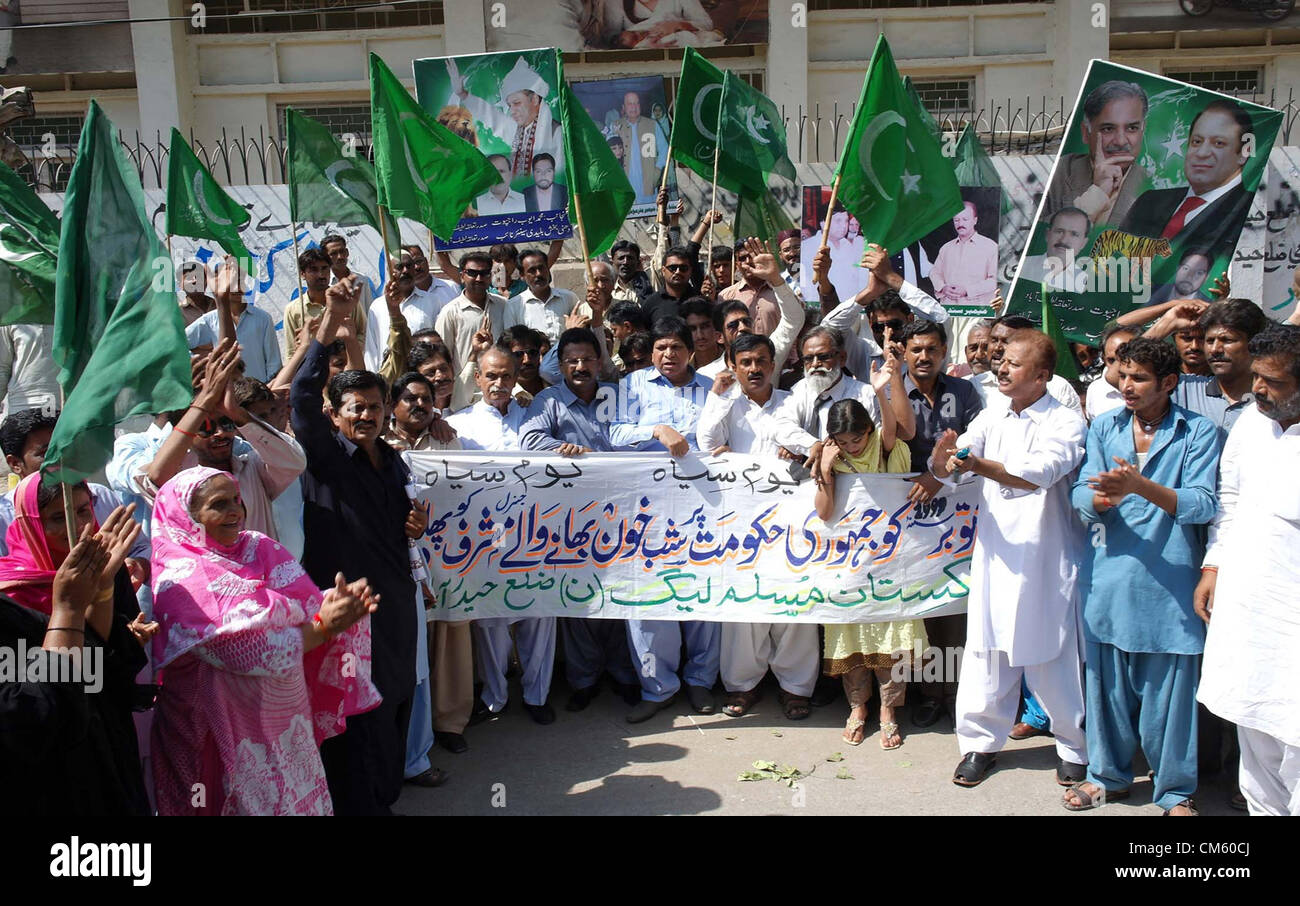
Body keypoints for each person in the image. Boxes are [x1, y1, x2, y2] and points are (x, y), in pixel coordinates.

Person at [148, 466, 382, 814]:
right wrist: (324, 626)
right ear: (187, 518)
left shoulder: (258, 547)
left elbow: (299, 606)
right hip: (216, 734)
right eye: (219, 504)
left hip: (284, 725)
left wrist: (336, 603)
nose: (235, 512)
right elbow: (239, 650)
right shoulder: (181, 577)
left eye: (237, 500)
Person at [1063, 338, 1219, 815]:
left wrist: (1139, 486)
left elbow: (1201, 504)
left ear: (1168, 383)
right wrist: (1102, 501)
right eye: (1122, 375)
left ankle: (1174, 792)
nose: (1126, 386)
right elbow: (1080, 496)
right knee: (1105, 691)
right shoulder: (1105, 427)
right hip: (1108, 577)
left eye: (1139, 378)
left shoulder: (1199, 433)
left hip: (1170, 586)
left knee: (1168, 704)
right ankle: (1105, 777)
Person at [931, 331, 1089, 789]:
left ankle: (1072, 746)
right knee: (987, 649)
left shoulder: (1064, 421)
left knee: (1050, 652)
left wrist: (976, 465)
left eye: (1013, 364)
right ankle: (980, 744)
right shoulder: (992, 413)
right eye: (1001, 361)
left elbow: (1038, 474)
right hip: (996, 552)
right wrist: (946, 461)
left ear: (1041, 376)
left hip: (1045, 555)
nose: (1001, 368)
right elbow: (958, 463)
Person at [290, 277, 424, 815]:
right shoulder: (326, 457)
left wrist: (411, 526)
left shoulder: (390, 460)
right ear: (336, 415)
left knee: (394, 697)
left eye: (374, 406)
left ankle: (387, 793)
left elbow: (397, 525)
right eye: (355, 408)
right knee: (352, 709)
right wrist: (331, 323)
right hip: (344, 608)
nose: (366, 415)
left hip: (393, 601)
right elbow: (301, 396)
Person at [1197, 324, 1300, 815]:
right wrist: (1214, 565)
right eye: (1256, 377)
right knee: (1254, 725)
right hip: (1248, 604)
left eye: (1272, 381)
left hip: (1294, 614)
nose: (1257, 389)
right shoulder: (1251, 425)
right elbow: (1231, 499)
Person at [0, 495, 152, 815]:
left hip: (105, 752)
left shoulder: (97, 569)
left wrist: (102, 591)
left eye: (85, 510)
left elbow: (96, 670)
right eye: (58, 518)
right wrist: (68, 608)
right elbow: (36, 712)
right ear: (29, 526)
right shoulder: (12, 591)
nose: (78, 526)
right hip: (52, 781)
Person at [696, 332, 820, 720]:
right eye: (745, 362)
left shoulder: (793, 403)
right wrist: (717, 396)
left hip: (792, 521)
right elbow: (705, 443)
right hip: (742, 526)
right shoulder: (726, 405)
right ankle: (743, 685)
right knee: (745, 606)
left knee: (794, 602)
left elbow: (813, 446)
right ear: (732, 366)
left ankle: (795, 686)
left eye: (761, 361)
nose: (754, 369)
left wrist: (796, 450)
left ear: (773, 364)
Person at [520, 327, 642, 712]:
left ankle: (624, 674)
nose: (579, 366)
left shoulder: (617, 396)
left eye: (587, 358)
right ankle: (584, 679)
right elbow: (529, 441)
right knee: (578, 598)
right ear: (560, 363)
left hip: (621, 511)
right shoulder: (548, 400)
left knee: (622, 593)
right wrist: (563, 448)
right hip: (570, 520)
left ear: (600, 361)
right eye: (571, 359)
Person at [610, 317, 720, 721]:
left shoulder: (713, 390)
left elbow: (725, 437)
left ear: (692, 351)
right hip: (647, 509)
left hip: (703, 507)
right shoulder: (630, 387)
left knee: (704, 591)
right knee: (646, 597)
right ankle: (657, 687)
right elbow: (614, 435)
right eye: (660, 348)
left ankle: (701, 681)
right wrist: (658, 430)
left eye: (676, 347)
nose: (667, 355)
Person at [448, 345, 558, 725]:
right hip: (487, 537)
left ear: (515, 378)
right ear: (477, 378)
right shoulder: (458, 426)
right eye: (491, 375)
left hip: (538, 531)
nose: (498, 383)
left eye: (506, 376)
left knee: (540, 614)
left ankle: (537, 695)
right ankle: (494, 696)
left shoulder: (534, 418)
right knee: (492, 618)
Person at [814, 397, 922, 749]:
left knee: (891, 638)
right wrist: (827, 470)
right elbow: (825, 513)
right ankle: (858, 707)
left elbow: (892, 428)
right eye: (842, 442)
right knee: (853, 635)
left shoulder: (886, 451)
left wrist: (882, 388)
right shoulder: (832, 459)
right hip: (849, 564)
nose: (850, 447)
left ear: (869, 432)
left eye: (856, 441)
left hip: (891, 560)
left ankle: (889, 712)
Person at [894, 320, 983, 727]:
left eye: (932, 349)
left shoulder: (964, 392)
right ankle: (928, 693)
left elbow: (976, 442)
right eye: (916, 350)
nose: (924, 357)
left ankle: (955, 691)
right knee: (920, 605)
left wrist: (940, 475)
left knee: (953, 604)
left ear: (945, 351)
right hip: (906, 515)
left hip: (957, 512)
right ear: (905, 353)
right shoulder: (894, 391)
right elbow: (886, 442)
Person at [136, 339, 305, 544]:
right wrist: (201, 403)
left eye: (226, 423)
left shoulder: (253, 467)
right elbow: (156, 479)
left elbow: (294, 461)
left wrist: (237, 413)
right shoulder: (180, 480)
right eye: (205, 427)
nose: (220, 434)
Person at [0, 409, 151, 581]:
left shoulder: (100, 496)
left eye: (67, 448)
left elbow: (141, 548)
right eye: (46, 453)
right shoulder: (3, 516)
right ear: (15, 463)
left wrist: (134, 566)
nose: (63, 459)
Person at [1121, 99, 1253, 260]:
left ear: (1243, 153)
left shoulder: (1250, 211)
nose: (1202, 153)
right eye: (1197, 142)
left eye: (1218, 143)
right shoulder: (1149, 202)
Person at [1044, 79, 1150, 226]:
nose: (1120, 141)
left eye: (1132, 128)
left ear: (1142, 130)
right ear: (1085, 133)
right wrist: (1097, 195)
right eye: (1108, 129)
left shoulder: (1156, 184)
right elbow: (1041, 242)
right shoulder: (1059, 172)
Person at [448, 56, 561, 182]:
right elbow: (490, 115)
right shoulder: (517, 130)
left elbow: (561, 177)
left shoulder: (556, 133)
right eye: (509, 105)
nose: (512, 111)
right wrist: (462, 94)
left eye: (517, 103)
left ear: (534, 99)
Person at [1165, 298, 1268, 437]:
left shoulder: (1271, 399)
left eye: (1227, 340)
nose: (1215, 349)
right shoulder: (1181, 389)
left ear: (1254, 343)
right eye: (1209, 341)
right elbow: (1130, 364)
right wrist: (1167, 323)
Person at [185, 260, 282, 383]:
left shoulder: (263, 318)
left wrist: (269, 388)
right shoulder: (210, 319)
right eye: (231, 282)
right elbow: (179, 343)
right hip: (227, 392)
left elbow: (274, 362)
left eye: (240, 280)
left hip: (258, 394)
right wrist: (204, 365)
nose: (237, 286)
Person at [971, 316, 1084, 414]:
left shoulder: (1058, 388)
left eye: (1006, 341)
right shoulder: (973, 387)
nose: (997, 348)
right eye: (994, 340)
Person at [435, 251, 524, 374]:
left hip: (501, 382)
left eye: (484, 273)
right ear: (462, 276)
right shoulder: (450, 312)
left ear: (491, 275)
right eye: (472, 273)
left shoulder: (503, 305)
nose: (478, 278)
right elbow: (442, 356)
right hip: (467, 387)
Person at [284, 247, 367, 361]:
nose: (321, 275)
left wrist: (350, 352)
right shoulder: (293, 310)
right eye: (313, 270)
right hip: (312, 371)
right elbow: (291, 352)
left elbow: (363, 332)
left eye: (324, 268)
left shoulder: (346, 300)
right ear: (302, 274)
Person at [930, 201, 998, 309]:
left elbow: (994, 281)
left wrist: (968, 290)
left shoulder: (990, 247)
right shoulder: (946, 248)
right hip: (949, 309)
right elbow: (934, 273)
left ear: (975, 220)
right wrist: (943, 287)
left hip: (978, 310)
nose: (960, 224)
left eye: (965, 219)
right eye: (956, 220)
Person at [1017, 207, 1093, 293]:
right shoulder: (1021, 265)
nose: (1063, 240)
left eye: (1074, 234)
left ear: (1083, 243)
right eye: (1059, 231)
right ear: (1047, 235)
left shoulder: (1086, 285)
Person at [612, 89, 668, 201]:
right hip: (625, 183)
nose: (634, 107)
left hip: (648, 183)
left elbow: (665, 150)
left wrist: (657, 170)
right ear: (624, 107)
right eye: (630, 103)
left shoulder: (652, 124)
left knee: (650, 214)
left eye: (637, 103)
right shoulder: (615, 126)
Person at [514, 247, 577, 345]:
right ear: (522, 275)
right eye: (532, 270)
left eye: (541, 268)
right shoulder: (514, 305)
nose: (538, 274)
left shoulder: (569, 298)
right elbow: (512, 342)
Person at [0, 321, 55, 421]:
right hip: (21, 405)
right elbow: (2, 368)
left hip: (63, 402)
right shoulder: (12, 318)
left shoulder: (70, 311)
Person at [1084, 326, 1138, 422]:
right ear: (1104, 359)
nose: (1119, 367)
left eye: (1125, 359)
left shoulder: (1157, 387)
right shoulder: (1096, 390)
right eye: (1112, 360)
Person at [640, 245, 699, 326]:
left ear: (690, 271)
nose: (678, 272)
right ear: (663, 271)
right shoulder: (651, 303)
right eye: (673, 268)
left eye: (683, 268)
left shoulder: (699, 300)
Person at [1147, 249, 1213, 306]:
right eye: (1186, 268)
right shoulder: (1151, 291)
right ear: (1177, 269)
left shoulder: (1208, 306)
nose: (1190, 276)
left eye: (1199, 273)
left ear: (1206, 278)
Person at [177, 260, 217, 327]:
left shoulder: (219, 306)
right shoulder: (178, 313)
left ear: (206, 282)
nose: (194, 281)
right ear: (180, 285)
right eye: (189, 278)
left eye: (198, 277)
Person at [776, 228, 802, 300]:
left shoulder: (818, 273)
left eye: (797, 247)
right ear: (780, 255)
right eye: (786, 250)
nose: (792, 253)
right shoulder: (779, 282)